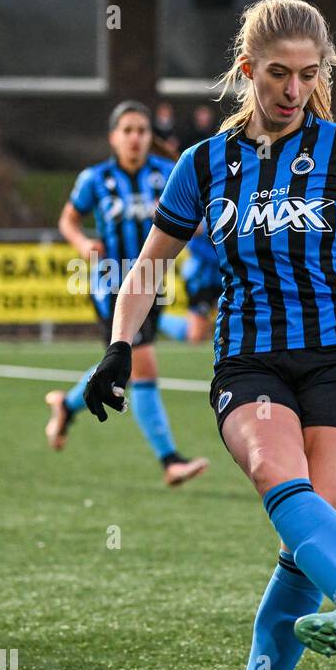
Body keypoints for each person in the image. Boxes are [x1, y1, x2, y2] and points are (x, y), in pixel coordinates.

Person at [81, 0, 336, 670]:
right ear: (247, 70)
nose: (292, 89)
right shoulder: (205, 163)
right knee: (282, 478)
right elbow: (149, 265)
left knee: (303, 542)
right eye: (277, 74)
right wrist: (119, 342)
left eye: (308, 75)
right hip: (249, 362)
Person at [46, 100, 209, 486]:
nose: (135, 138)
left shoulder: (166, 174)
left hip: (152, 281)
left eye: (142, 130)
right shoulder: (94, 179)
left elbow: (196, 217)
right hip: (111, 284)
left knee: (127, 365)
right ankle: (170, 461)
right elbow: (68, 219)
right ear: (113, 137)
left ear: (150, 137)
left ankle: (67, 406)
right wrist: (81, 242)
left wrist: (198, 227)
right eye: (128, 131)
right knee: (141, 363)